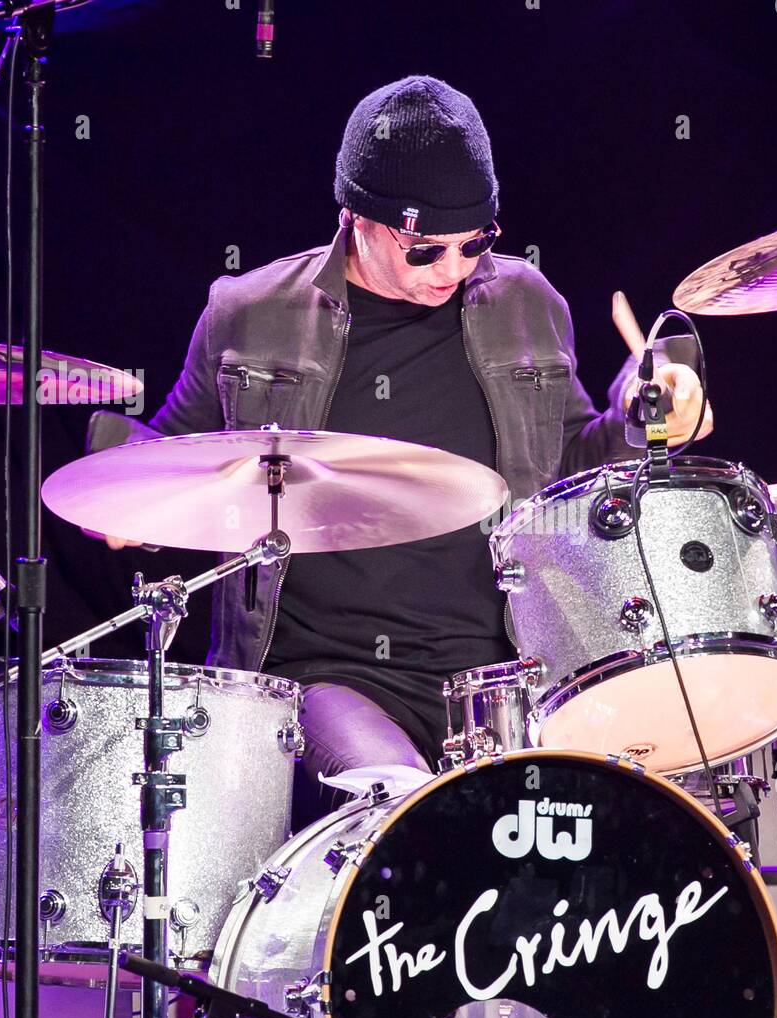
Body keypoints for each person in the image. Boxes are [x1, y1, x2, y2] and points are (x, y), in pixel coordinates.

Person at [87, 75, 713, 822]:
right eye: (426, 251)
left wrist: (653, 419)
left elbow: (571, 467)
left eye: (475, 244)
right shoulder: (253, 314)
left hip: (502, 673)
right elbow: (173, 456)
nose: (453, 269)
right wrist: (120, 490)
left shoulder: (526, 303)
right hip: (325, 674)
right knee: (407, 811)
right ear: (355, 218)